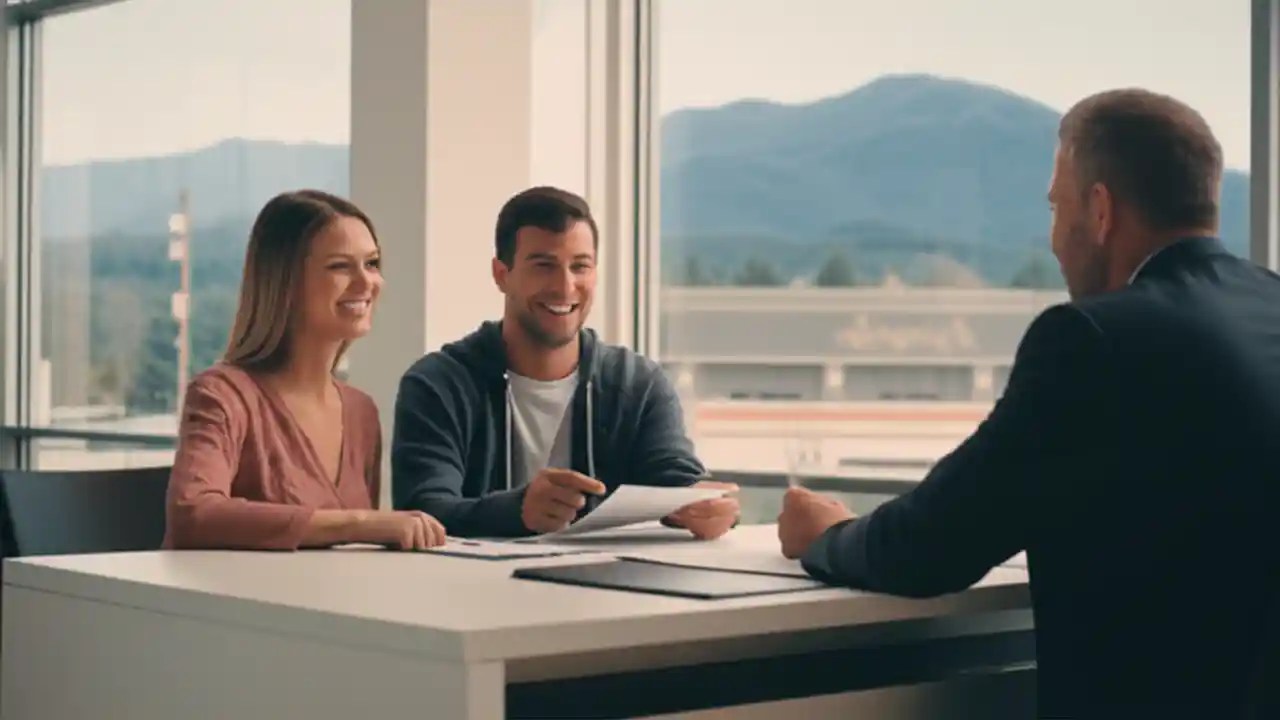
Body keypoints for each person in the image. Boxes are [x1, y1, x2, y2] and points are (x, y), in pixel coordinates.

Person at [778, 89, 1280, 717]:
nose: (1052, 239)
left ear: (1100, 210)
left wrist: (828, 535)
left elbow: (932, 544)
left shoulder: (1090, 341)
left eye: (1055, 206)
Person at [391, 186, 739, 538]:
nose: (565, 286)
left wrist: (703, 507)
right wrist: (518, 511)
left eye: (580, 266)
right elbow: (423, 509)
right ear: (501, 274)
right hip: (466, 589)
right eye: (544, 266)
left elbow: (675, 480)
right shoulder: (437, 384)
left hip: (606, 589)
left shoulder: (638, 383)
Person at [165, 190, 446, 551]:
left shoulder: (362, 412)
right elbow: (193, 513)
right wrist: (362, 522)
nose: (366, 283)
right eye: (340, 266)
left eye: (372, 263)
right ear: (286, 282)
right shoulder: (221, 395)